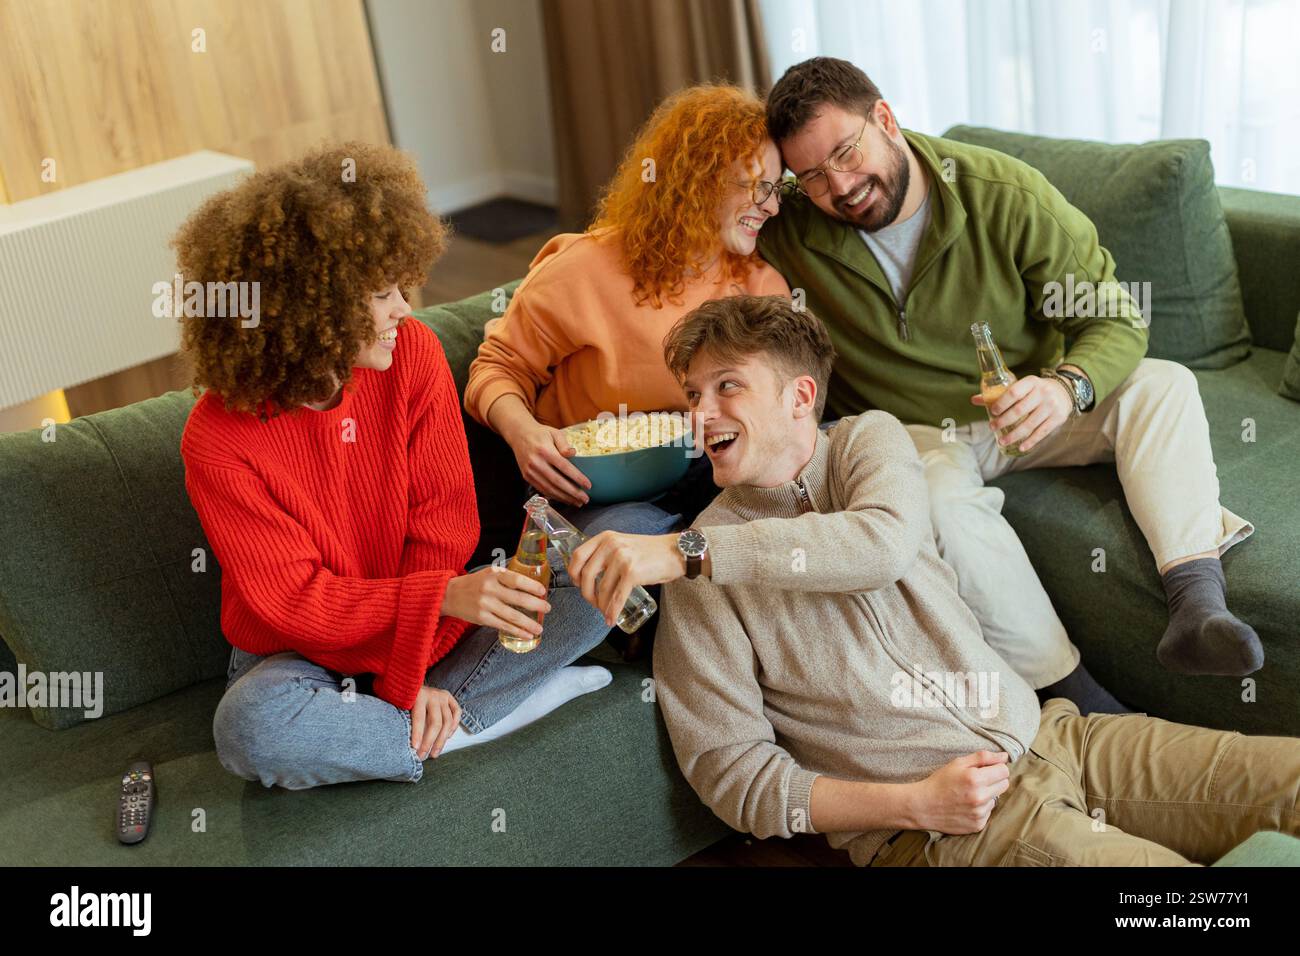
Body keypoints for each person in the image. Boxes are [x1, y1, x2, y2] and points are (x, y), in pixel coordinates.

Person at [569, 293, 1300, 866]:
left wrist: (688, 552)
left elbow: (877, 547)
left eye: (726, 386)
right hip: (945, 833)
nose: (701, 413)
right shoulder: (702, 573)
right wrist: (916, 805)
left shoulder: (865, 443)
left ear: (799, 397)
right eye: (691, 394)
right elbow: (735, 779)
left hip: (1053, 737)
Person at [755, 57, 1260, 706]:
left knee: (1162, 384)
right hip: (910, 431)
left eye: (847, 154)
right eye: (814, 175)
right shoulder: (792, 223)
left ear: (886, 119)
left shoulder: (1002, 193)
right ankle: (1076, 697)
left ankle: (1197, 608)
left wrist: (1064, 387)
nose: (840, 186)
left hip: (1031, 406)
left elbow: (1113, 317)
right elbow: (689, 220)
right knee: (935, 505)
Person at [177, 142, 614, 790]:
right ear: (312, 314)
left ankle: (425, 722)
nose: (403, 309)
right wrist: (413, 676)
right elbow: (298, 603)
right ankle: (479, 718)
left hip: (428, 621)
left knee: (596, 576)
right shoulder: (217, 440)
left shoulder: (413, 354)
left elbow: (443, 527)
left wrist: (405, 675)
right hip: (301, 653)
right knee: (249, 726)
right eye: (381, 295)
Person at [464, 83, 793, 543]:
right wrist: (525, 435)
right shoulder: (583, 269)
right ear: (700, 178)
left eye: (778, 189)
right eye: (759, 187)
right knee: (601, 570)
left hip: (710, 474)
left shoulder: (759, 287)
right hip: (597, 488)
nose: (773, 206)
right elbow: (497, 368)